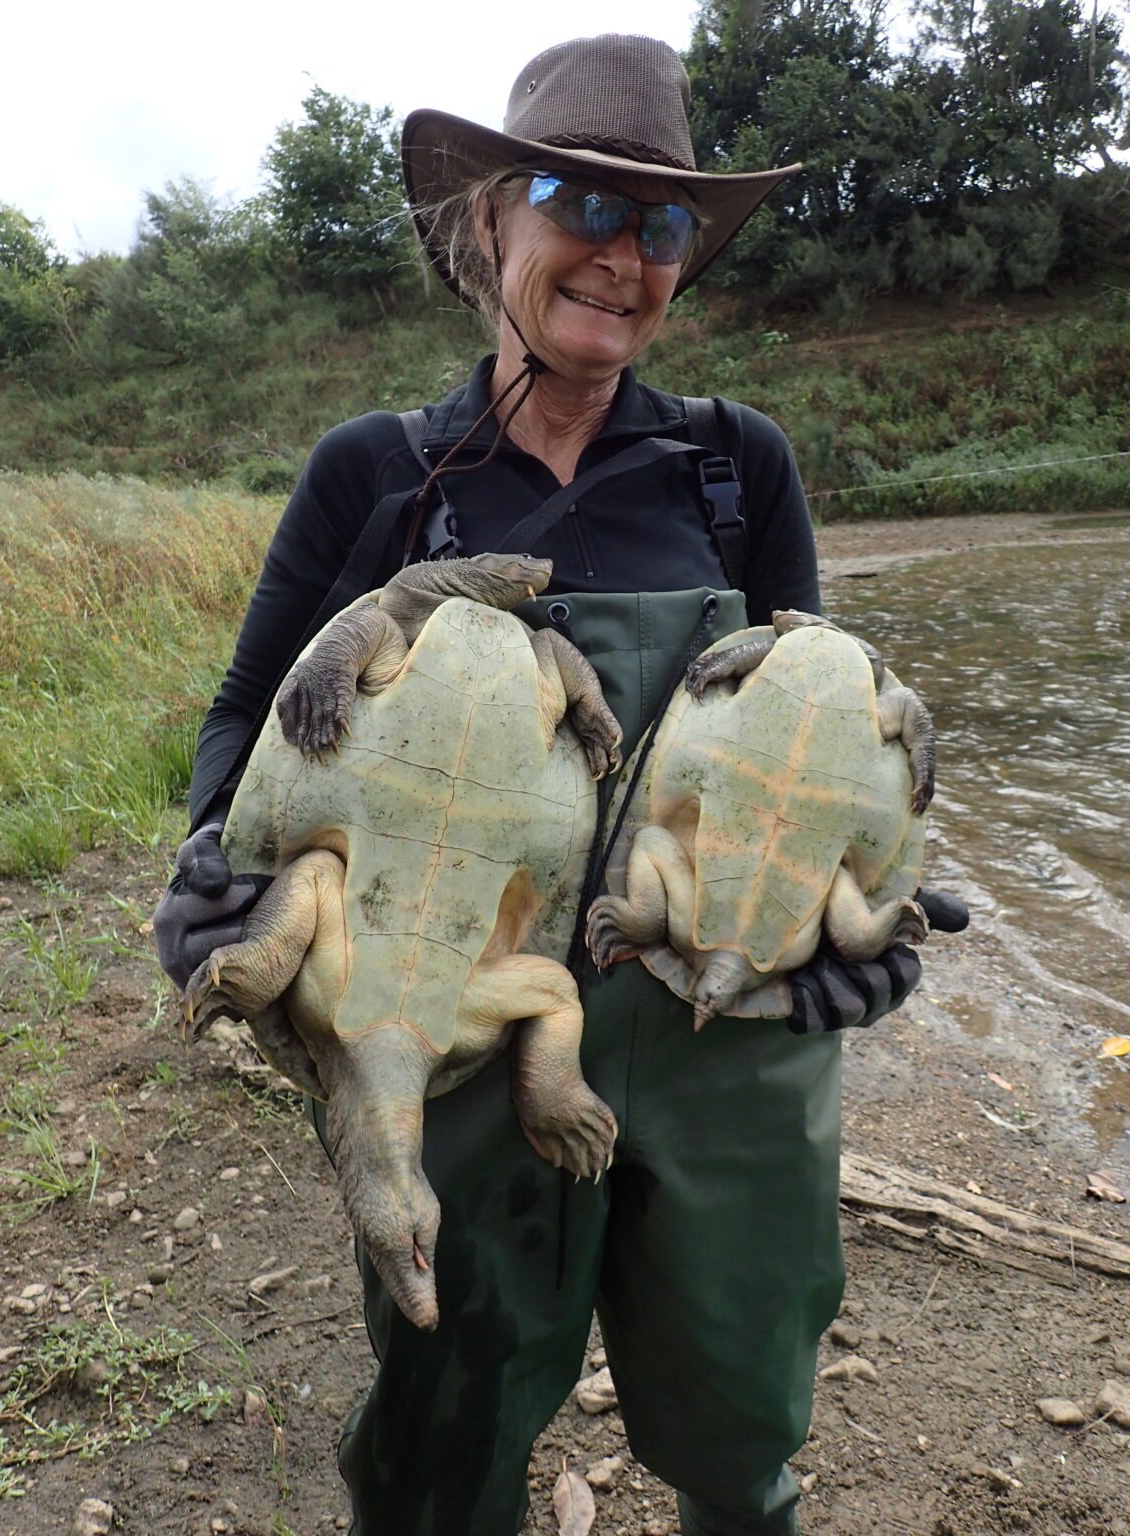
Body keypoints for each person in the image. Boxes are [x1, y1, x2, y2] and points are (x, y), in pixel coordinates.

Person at [156, 34, 961, 1536]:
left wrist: (862, 937)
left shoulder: (739, 470)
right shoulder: (377, 473)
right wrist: (211, 864)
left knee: (742, 1417)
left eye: (659, 225)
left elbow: (808, 731)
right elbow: (244, 710)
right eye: (575, 201)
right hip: (466, 1011)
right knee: (444, 1416)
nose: (621, 253)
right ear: (488, 227)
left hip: (726, 1048)